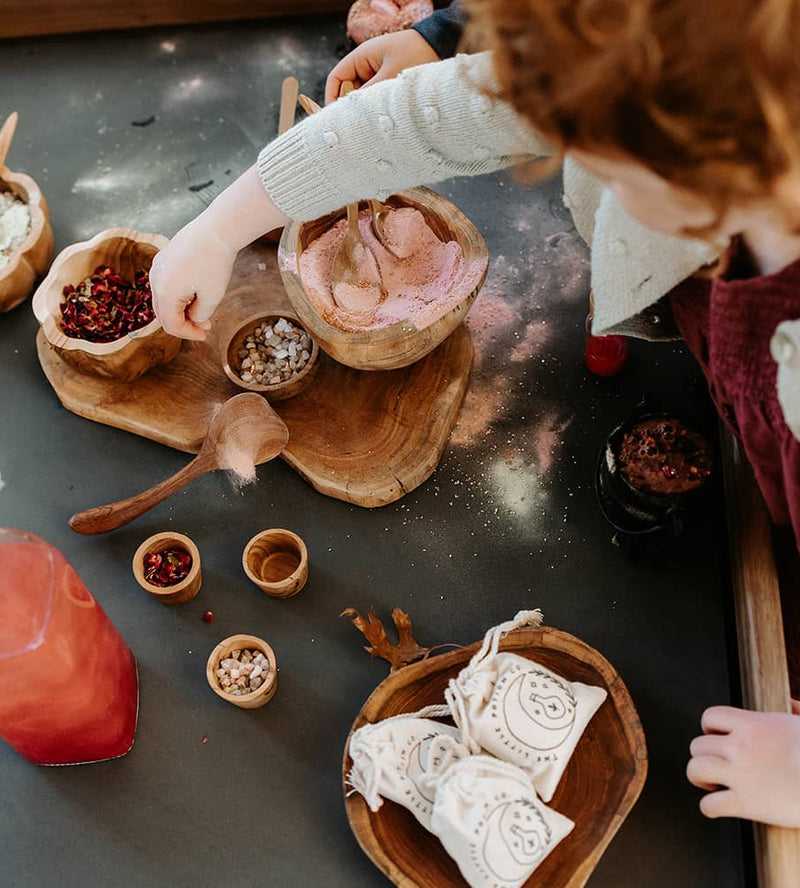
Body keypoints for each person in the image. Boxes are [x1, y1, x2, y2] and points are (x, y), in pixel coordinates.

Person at [149, 0, 800, 828]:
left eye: (611, 166)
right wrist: (221, 225)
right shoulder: (655, 62)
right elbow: (424, 118)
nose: (584, 166)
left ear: (716, 150)